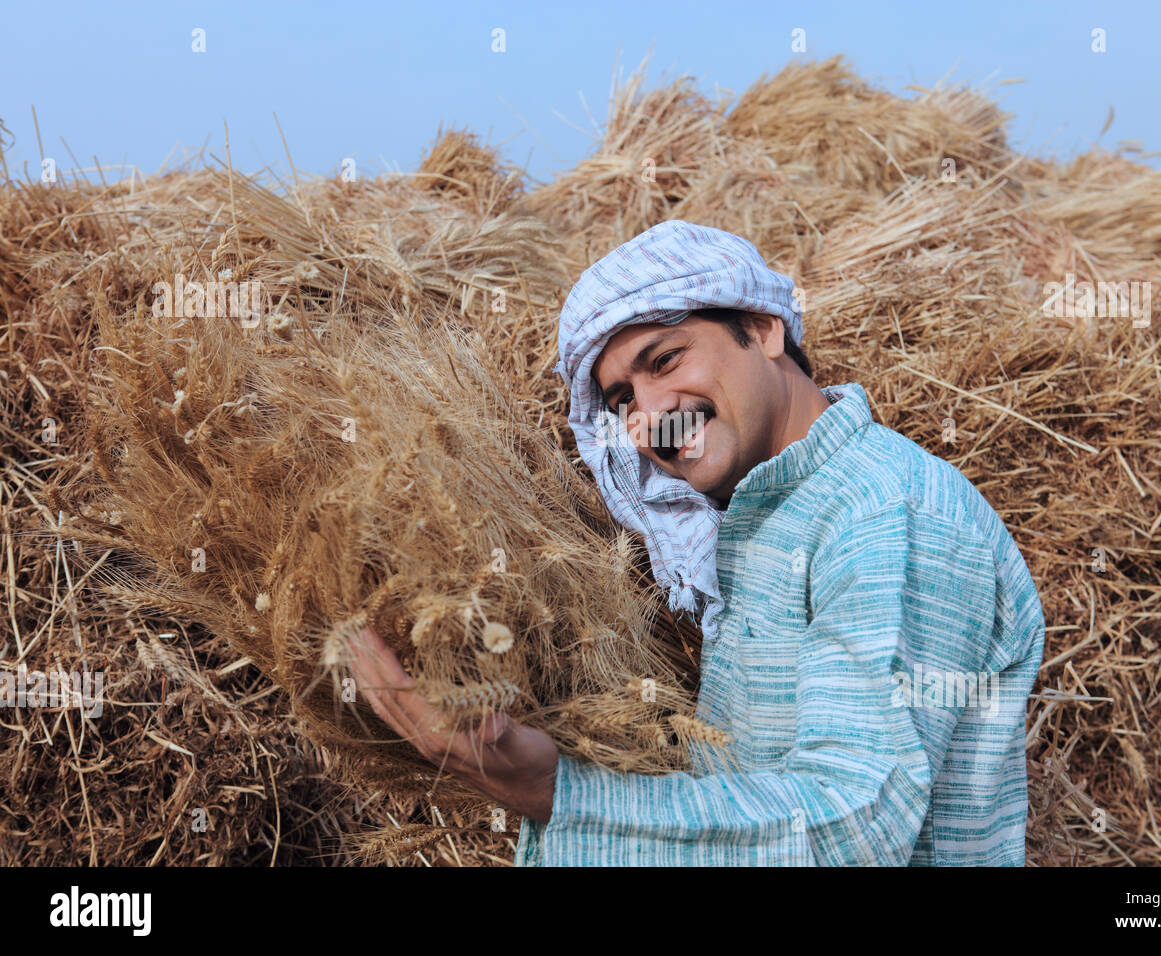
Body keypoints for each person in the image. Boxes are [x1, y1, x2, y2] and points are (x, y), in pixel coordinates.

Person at [346, 219, 1046, 865]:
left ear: (764, 328)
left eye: (665, 360)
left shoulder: (885, 512)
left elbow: (857, 820)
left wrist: (561, 795)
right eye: (620, 400)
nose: (650, 416)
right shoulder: (761, 520)